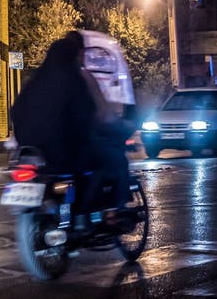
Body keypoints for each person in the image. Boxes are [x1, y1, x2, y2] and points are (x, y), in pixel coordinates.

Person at [66, 30, 133, 219]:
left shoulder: (46, 77)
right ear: (80, 52)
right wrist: (120, 126)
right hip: (81, 142)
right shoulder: (83, 77)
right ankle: (111, 211)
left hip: (49, 144)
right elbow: (102, 113)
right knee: (114, 162)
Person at [10, 35, 96, 175]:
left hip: (27, 151)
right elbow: (85, 113)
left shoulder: (35, 79)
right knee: (98, 166)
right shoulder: (72, 79)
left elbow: (16, 110)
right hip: (59, 152)